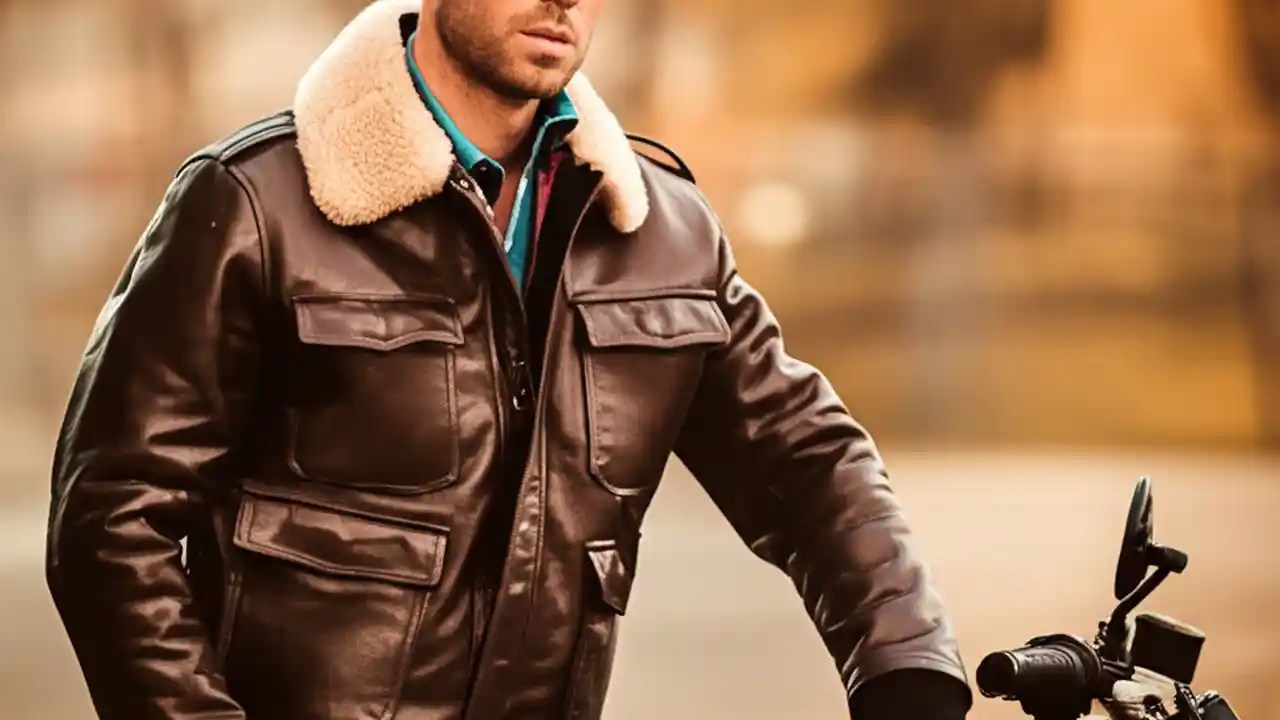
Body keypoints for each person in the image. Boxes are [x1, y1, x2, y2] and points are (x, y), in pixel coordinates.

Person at [44, 0, 973, 718]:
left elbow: (806, 460)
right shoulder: (254, 205)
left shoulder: (663, 232)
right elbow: (111, 519)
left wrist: (906, 661)